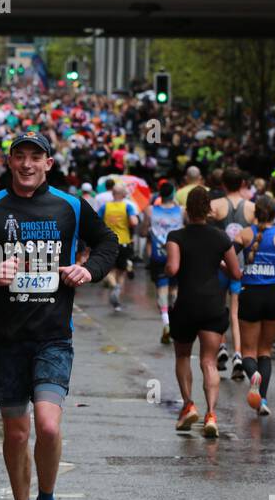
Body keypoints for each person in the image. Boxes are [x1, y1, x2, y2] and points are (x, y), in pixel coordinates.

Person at [0, 132, 118, 500]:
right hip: (6, 340)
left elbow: (109, 242)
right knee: (17, 431)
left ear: (48, 163)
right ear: (9, 162)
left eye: (35, 157)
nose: (27, 164)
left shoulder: (70, 206)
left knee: (46, 425)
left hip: (52, 336)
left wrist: (88, 270)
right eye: (19, 156)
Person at [166, 187, 241, 436]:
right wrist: (217, 263)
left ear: (187, 210)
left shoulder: (176, 236)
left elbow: (173, 269)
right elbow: (236, 273)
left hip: (186, 304)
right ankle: (211, 415)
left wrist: (167, 266)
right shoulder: (221, 238)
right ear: (210, 210)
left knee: (183, 357)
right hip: (212, 305)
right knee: (209, 362)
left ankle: (188, 405)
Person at [236, 196, 275, 415]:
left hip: (250, 294)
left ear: (255, 213)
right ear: (274, 214)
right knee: (265, 351)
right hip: (274, 296)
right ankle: (262, 400)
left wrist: (235, 274)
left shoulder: (244, 234)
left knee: (248, 352)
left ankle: (253, 377)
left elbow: (226, 260)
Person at [210, 167, 255, 380]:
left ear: (223, 185)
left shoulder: (215, 205)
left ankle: (221, 347)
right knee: (236, 312)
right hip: (241, 266)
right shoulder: (252, 208)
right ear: (243, 183)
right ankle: (238, 354)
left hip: (219, 264)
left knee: (220, 308)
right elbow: (256, 236)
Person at [144, 180, 184, 344]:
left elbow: (142, 231)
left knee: (161, 288)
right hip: (177, 254)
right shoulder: (182, 210)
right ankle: (174, 323)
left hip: (158, 254)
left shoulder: (150, 210)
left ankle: (166, 322)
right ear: (173, 194)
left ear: (159, 194)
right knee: (174, 289)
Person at [98, 181, 139, 311]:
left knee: (109, 270)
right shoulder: (128, 207)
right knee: (121, 272)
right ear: (123, 194)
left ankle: (114, 286)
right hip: (123, 242)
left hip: (107, 242)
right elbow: (134, 222)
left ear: (113, 193)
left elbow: (97, 222)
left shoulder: (105, 207)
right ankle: (117, 301)